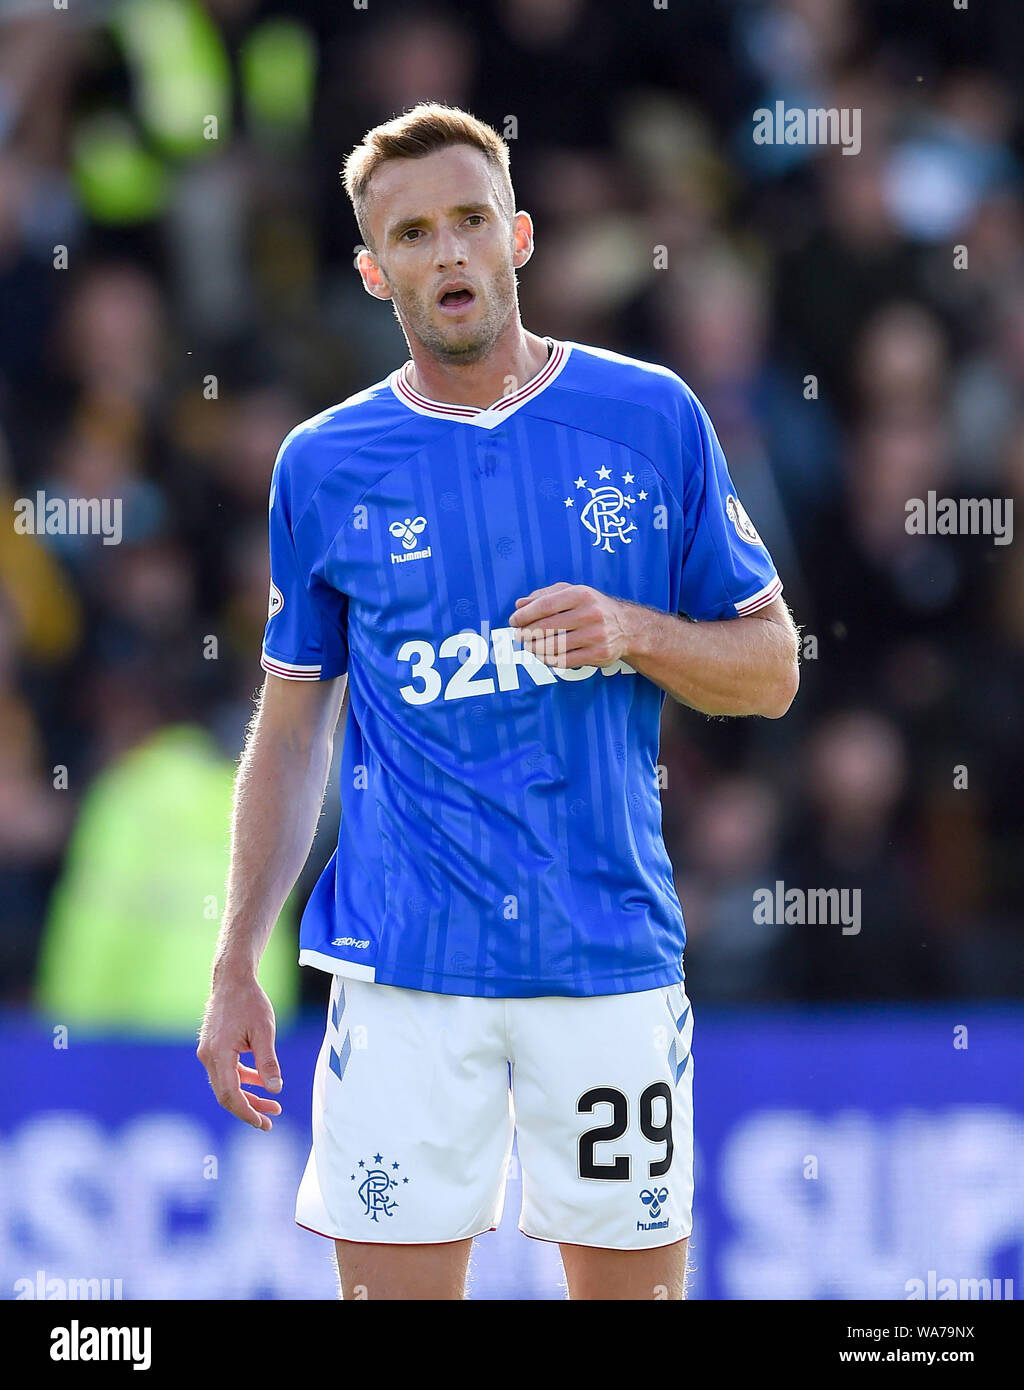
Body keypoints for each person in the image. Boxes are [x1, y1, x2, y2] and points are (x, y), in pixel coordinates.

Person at [197, 103, 799, 1301]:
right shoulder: (324, 462)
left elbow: (772, 667)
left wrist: (631, 632)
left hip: (609, 954)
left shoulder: (648, 416)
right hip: (404, 969)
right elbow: (296, 717)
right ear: (376, 271)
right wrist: (232, 960)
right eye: (413, 234)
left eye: (472, 220)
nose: (450, 252)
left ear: (519, 235)